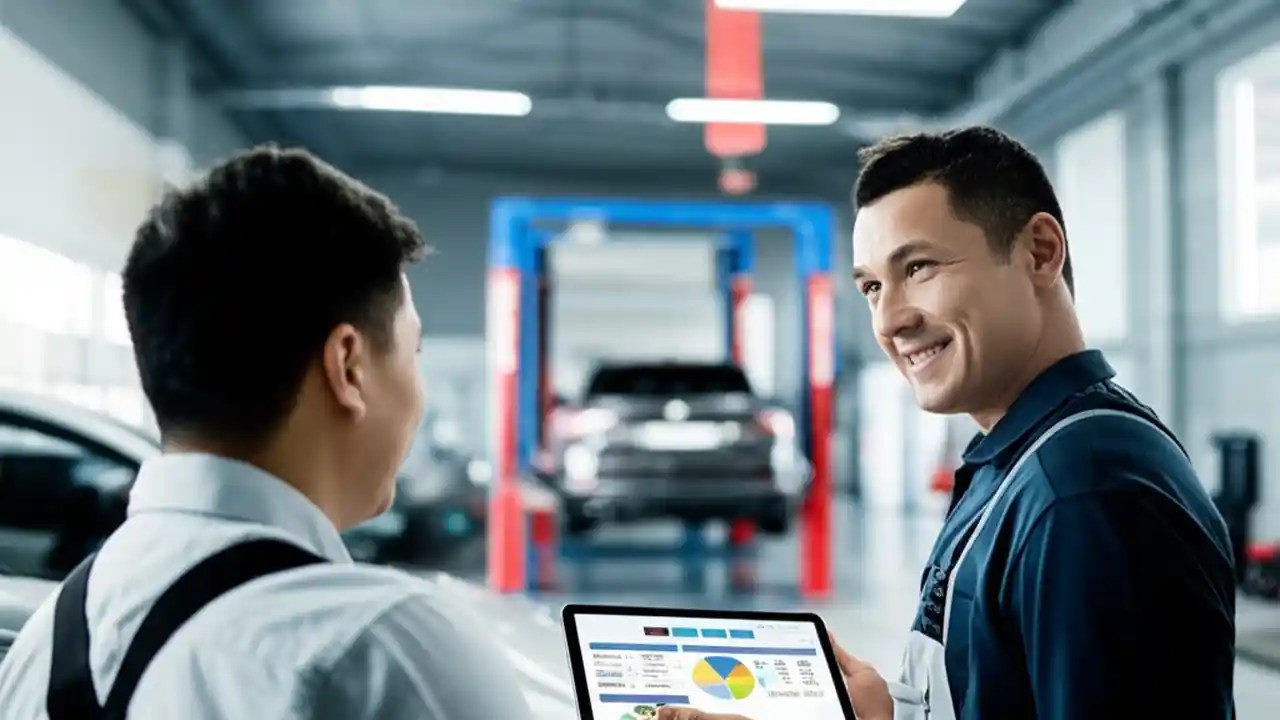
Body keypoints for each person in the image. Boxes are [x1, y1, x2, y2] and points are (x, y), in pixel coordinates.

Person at [658, 126, 1236, 720]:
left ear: (1039, 251)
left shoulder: (1084, 492)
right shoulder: (1018, 460)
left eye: (920, 268)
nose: (890, 320)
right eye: (873, 286)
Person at [0, 146, 532, 718]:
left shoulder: (42, 644)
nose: (418, 393)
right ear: (348, 366)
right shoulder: (380, 647)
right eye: (413, 353)